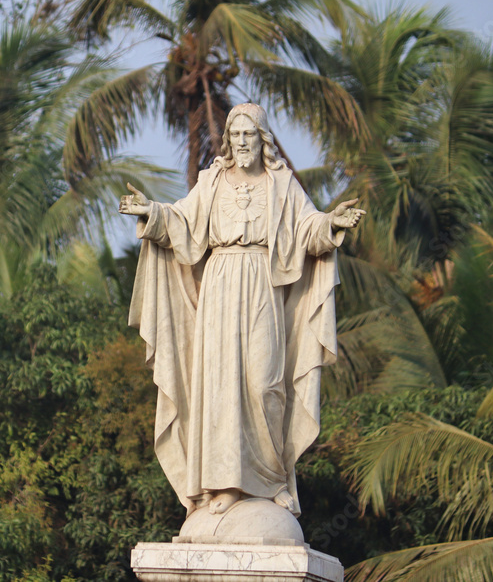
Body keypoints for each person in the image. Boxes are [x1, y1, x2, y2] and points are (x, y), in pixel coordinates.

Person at [120, 103, 364, 517]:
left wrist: (331, 224)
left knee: (265, 382)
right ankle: (225, 483)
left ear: (262, 138)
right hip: (219, 283)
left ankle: (271, 480)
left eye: (249, 134)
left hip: (263, 284)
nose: (241, 142)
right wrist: (152, 212)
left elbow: (307, 229)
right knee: (221, 385)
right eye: (235, 135)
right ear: (228, 140)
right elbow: (182, 220)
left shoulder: (282, 185)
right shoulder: (212, 181)